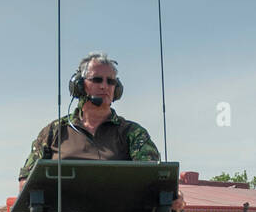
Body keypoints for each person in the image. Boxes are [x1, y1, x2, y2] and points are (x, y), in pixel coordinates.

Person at [18, 53, 161, 189]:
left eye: (111, 82)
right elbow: (26, 183)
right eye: (97, 79)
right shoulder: (54, 131)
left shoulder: (132, 133)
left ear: (117, 89)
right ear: (79, 86)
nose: (104, 86)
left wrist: (172, 194)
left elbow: (152, 177)